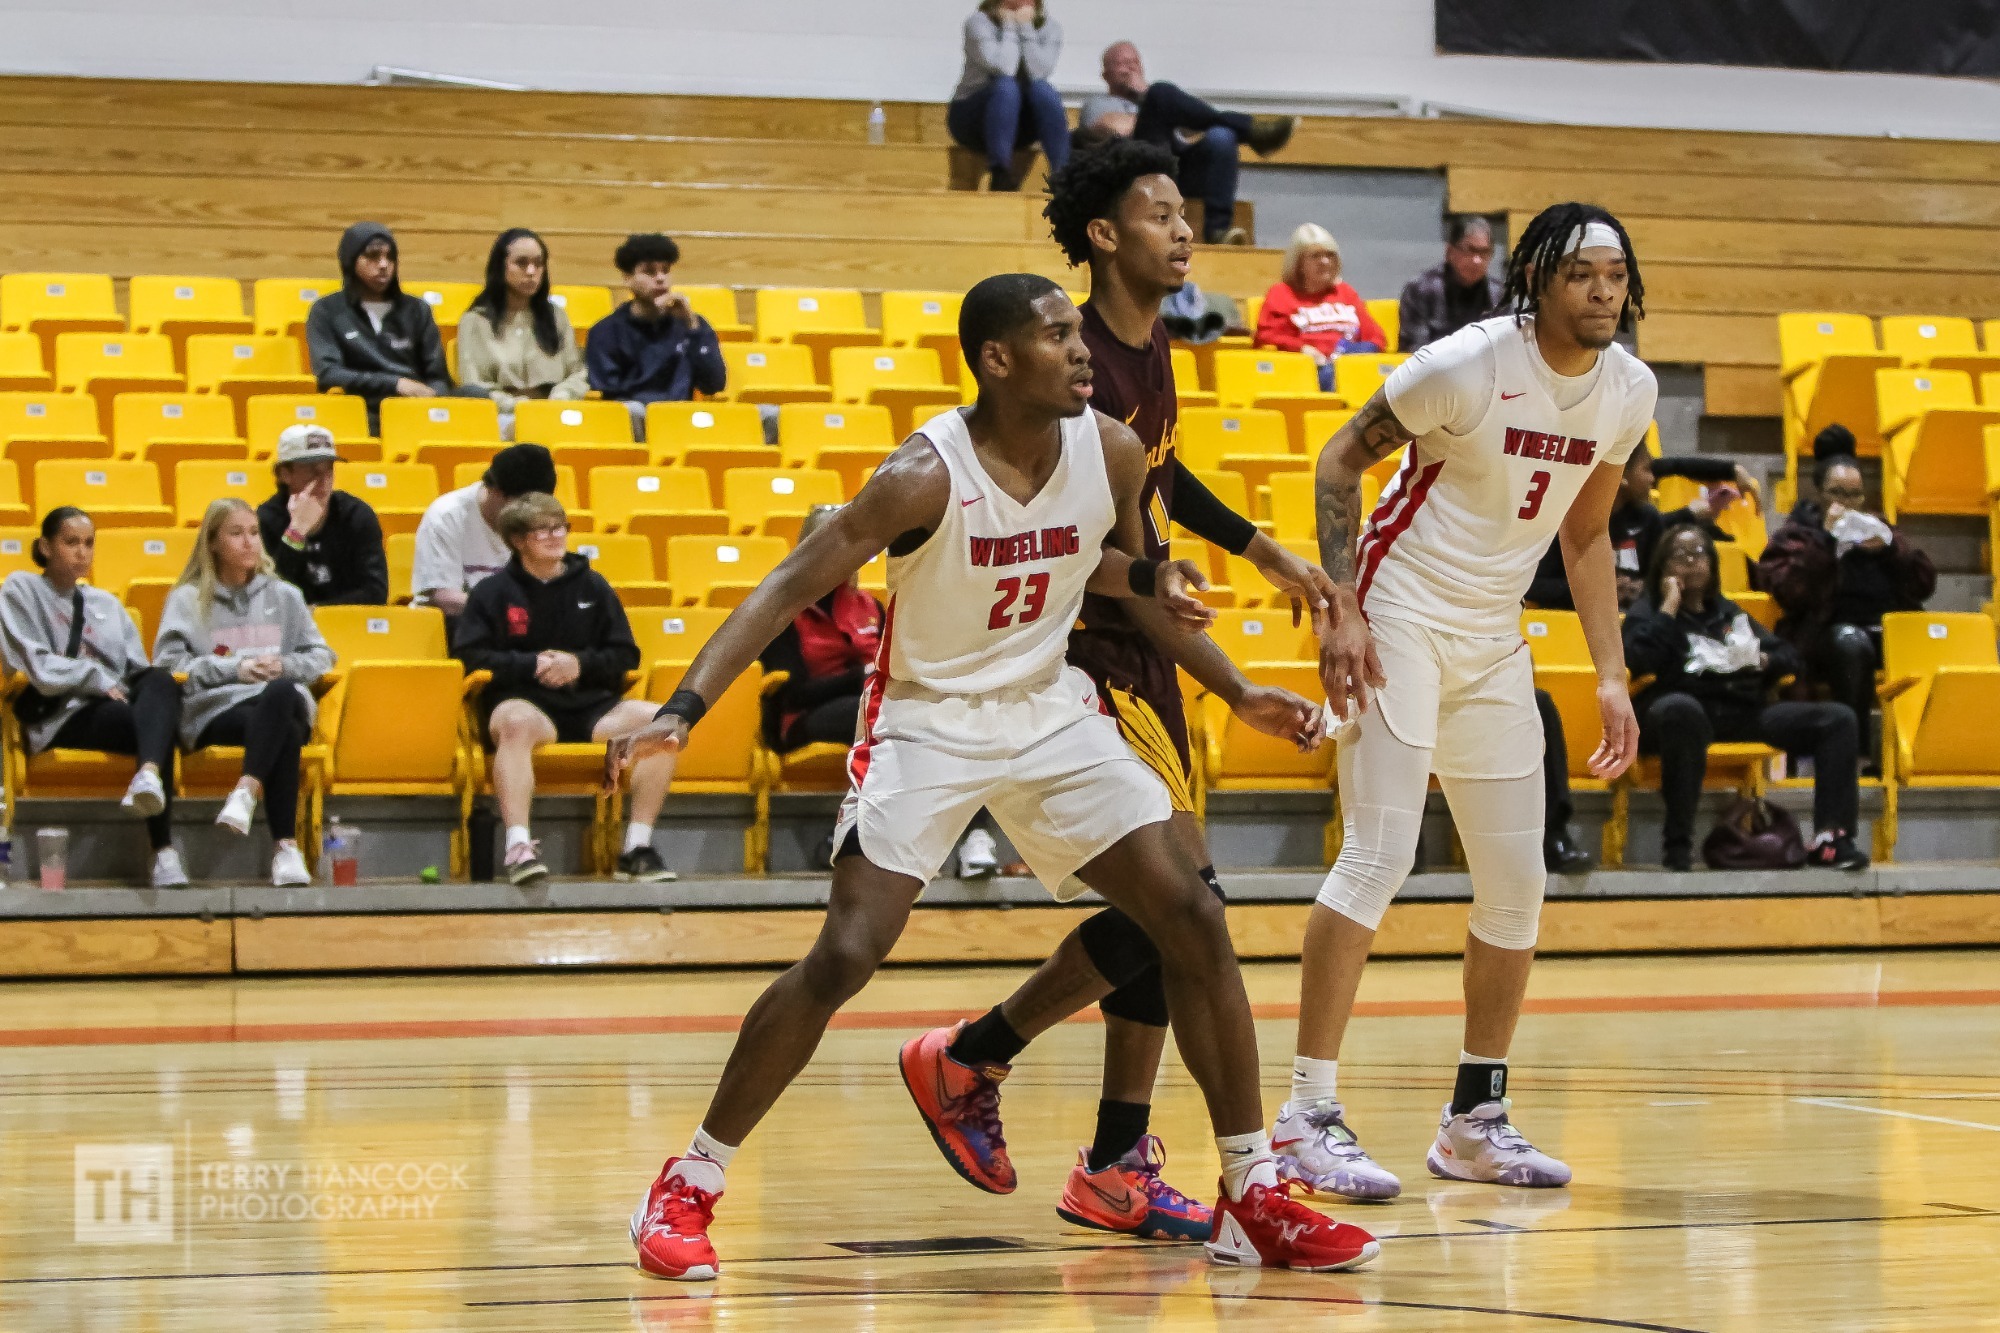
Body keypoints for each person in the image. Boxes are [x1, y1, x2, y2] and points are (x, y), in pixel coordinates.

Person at [613, 274, 1378, 1281]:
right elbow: (783, 585)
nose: (1079, 353)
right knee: (846, 952)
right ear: (995, 359)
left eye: (1078, 334)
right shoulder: (919, 476)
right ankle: (688, 1181)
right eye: (1056, 336)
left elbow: (1119, 575)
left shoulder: (1107, 448)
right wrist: (681, 710)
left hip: (1048, 706)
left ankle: (1250, 1193)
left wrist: (1234, 687)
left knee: (1190, 916)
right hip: (928, 718)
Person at [903, 139, 1342, 1244]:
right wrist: (1235, 681)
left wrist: (1263, 551)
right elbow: (1107, 532)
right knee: (1183, 910)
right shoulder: (1071, 351)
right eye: (1159, 214)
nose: (1183, 230)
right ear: (1104, 236)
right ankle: (988, 1066)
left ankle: (1098, 1150)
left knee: (1162, 917)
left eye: (1185, 213)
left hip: (1146, 647)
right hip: (1084, 652)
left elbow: (1157, 479)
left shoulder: (1149, 353)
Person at [1291, 203, 1659, 1200]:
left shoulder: (1628, 388)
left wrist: (1611, 675)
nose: (1601, 291)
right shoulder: (1464, 362)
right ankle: (1302, 1116)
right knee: (1378, 853)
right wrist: (1339, 610)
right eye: (1582, 273)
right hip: (1398, 608)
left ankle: (1472, 1120)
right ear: (1534, 277)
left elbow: (1584, 535)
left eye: (1616, 276)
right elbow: (1338, 461)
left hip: (1493, 632)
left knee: (1514, 883)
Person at [453, 491, 676, 886]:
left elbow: (625, 654)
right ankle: (519, 847)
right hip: (526, 702)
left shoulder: (593, 586)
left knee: (662, 723)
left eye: (560, 527)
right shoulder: (491, 593)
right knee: (515, 722)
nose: (556, 536)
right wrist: (531, 664)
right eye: (543, 531)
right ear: (518, 540)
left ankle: (637, 848)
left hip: (590, 706)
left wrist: (579, 664)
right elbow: (471, 656)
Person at [1625, 524, 1869, 872]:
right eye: (1679, 556)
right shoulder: (1649, 611)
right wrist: (1669, 607)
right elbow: (1636, 658)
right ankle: (1677, 845)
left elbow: (1789, 656)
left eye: (1699, 554)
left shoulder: (1729, 613)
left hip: (1742, 712)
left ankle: (1832, 838)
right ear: (1662, 567)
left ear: (1712, 565)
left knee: (1838, 719)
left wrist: (1762, 659)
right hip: (1681, 712)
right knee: (1681, 710)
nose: (1691, 563)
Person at [0, 507, 187, 887]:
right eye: (71, 542)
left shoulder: (108, 605)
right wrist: (94, 677)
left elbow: (136, 672)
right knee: (155, 727)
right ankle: (163, 849)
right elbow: (37, 666)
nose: (82, 552)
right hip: (61, 712)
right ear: (45, 546)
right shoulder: (19, 589)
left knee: (160, 683)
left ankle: (149, 780)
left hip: (113, 708)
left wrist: (139, 689)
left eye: (89, 543)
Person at [155, 499, 335, 888]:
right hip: (217, 708)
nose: (249, 542)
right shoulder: (187, 599)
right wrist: (233, 668)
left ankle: (246, 790)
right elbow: (168, 664)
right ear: (213, 543)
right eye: (236, 534)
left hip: (277, 697)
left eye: (254, 533)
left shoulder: (285, 595)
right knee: (284, 725)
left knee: (283, 693)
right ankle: (285, 847)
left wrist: (283, 665)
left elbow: (322, 656)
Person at [1758, 427, 1934, 752]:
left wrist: (1890, 548)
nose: (1846, 503)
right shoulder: (1797, 535)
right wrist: (1826, 541)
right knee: (1850, 643)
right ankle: (1854, 751)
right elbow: (1789, 591)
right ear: (1819, 493)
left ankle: (1926, 750)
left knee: (1936, 638)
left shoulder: (1876, 529)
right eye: (1837, 493)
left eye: (1854, 495)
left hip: (1886, 630)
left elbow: (1924, 584)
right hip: (1824, 638)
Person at [1077, 42, 1297, 245]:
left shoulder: (1159, 101)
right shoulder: (1097, 103)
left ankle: (1218, 231)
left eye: (1134, 62)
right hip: (1138, 175)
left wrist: (1155, 103)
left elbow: (1195, 126)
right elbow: (1118, 128)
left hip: (1175, 170)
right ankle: (1250, 131)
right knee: (1160, 91)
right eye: (1121, 64)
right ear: (1105, 75)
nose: (1130, 68)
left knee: (1222, 136)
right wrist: (1150, 102)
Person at [1526, 447, 1755, 613]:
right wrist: (1598, 590)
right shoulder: (1564, 519)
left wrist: (1642, 589)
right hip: (1577, 626)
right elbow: (1534, 586)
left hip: (1637, 622)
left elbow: (1660, 579)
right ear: (1622, 477)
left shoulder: (1648, 519)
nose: (1652, 479)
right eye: (1646, 469)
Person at [756, 505, 883, 754]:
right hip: (804, 716)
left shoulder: (869, 606)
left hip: (872, 701)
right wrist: (860, 677)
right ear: (809, 549)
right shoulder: (783, 611)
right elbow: (793, 695)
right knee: (876, 712)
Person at [305, 222, 453, 431]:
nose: (383, 264)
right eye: (373, 257)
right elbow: (329, 373)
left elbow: (437, 375)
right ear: (350, 261)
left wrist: (434, 398)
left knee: (475, 397)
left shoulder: (418, 309)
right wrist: (395, 384)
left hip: (415, 406)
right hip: (363, 406)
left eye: (390, 257)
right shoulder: (327, 310)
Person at [585, 234, 727, 443]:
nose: (660, 278)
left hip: (681, 420)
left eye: (666, 271)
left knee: (765, 414)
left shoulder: (693, 325)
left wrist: (693, 329)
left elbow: (714, 384)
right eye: (649, 271)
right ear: (627, 278)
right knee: (631, 411)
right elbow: (608, 392)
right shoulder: (605, 331)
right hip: (632, 423)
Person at [456, 228, 589, 440]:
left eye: (538, 264)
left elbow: (578, 372)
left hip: (553, 411)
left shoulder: (556, 317)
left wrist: (562, 396)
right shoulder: (476, 321)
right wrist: (517, 406)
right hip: (503, 415)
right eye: (521, 263)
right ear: (501, 267)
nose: (531, 271)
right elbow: (474, 385)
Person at [411, 442, 558, 620]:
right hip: (454, 627)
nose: (527, 518)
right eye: (520, 508)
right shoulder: (446, 515)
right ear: (495, 491)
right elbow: (445, 599)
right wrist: (513, 611)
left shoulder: (542, 518)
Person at [255, 424, 388, 607]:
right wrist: (296, 532)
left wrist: (321, 613)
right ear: (284, 473)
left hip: (347, 625)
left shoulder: (357, 515)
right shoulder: (265, 519)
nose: (324, 479)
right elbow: (268, 596)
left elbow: (375, 591)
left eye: (329, 469)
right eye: (312, 470)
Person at [948, 1, 1070, 192]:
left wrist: (1026, 27)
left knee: (1043, 89)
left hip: (1019, 124)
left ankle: (1063, 174)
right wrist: (1010, 26)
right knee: (1006, 86)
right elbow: (1005, 67)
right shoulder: (978, 23)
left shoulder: (1050, 28)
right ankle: (1000, 172)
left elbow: (1039, 71)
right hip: (972, 118)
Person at [1254, 226, 1388, 391]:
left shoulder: (1346, 293)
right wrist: (1301, 349)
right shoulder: (1281, 294)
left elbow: (1376, 337)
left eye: (1330, 255)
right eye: (1315, 256)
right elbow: (1267, 337)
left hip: (1348, 369)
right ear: (1299, 264)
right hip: (1306, 373)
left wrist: (1356, 354)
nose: (1325, 261)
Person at [1397, 216, 1505, 352]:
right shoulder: (1420, 290)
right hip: (1433, 369)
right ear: (1449, 251)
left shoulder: (1499, 295)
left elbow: (1505, 349)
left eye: (1484, 252)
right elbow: (1414, 353)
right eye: (1470, 250)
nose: (1477, 260)